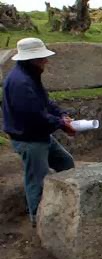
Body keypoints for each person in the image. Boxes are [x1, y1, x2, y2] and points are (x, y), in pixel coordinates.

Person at [2, 37, 76, 225]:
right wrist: (61, 123)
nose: (46, 61)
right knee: (37, 179)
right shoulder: (21, 83)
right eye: (42, 58)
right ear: (31, 59)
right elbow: (35, 116)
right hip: (29, 138)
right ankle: (38, 219)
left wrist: (61, 115)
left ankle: (63, 203)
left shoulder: (29, 75)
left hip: (39, 135)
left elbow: (45, 103)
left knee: (65, 162)